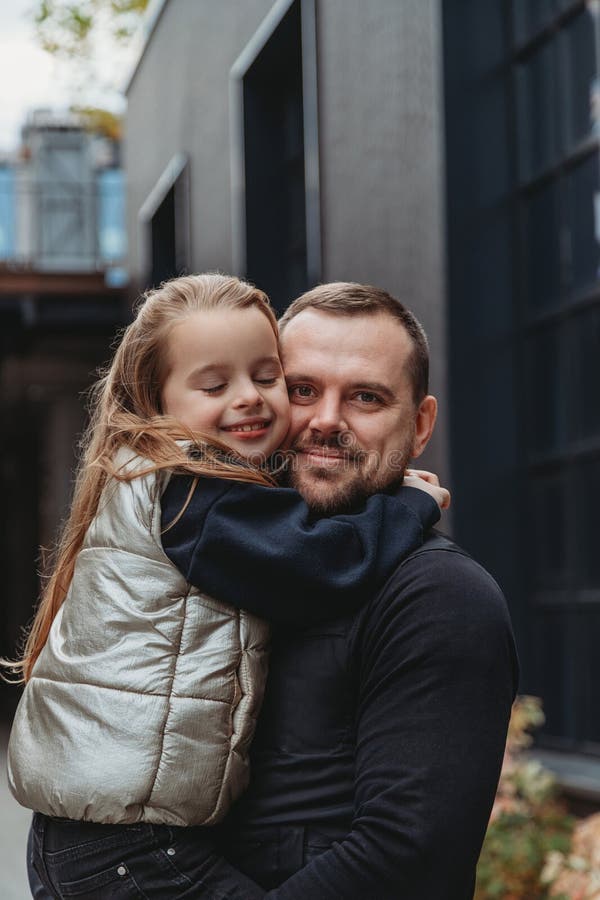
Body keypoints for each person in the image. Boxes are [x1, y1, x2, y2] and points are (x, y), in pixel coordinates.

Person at [6, 273, 447, 898]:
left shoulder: (162, 480)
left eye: (268, 378)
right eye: (215, 386)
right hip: (128, 845)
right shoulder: (195, 493)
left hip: (97, 833)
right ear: (155, 399)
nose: (249, 399)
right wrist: (409, 506)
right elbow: (320, 564)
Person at [156, 282, 520, 899]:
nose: (326, 421)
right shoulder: (207, 556)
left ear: (420, 426)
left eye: (366, 397)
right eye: (302, 390)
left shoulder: (440, 597)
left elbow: (404, 860)